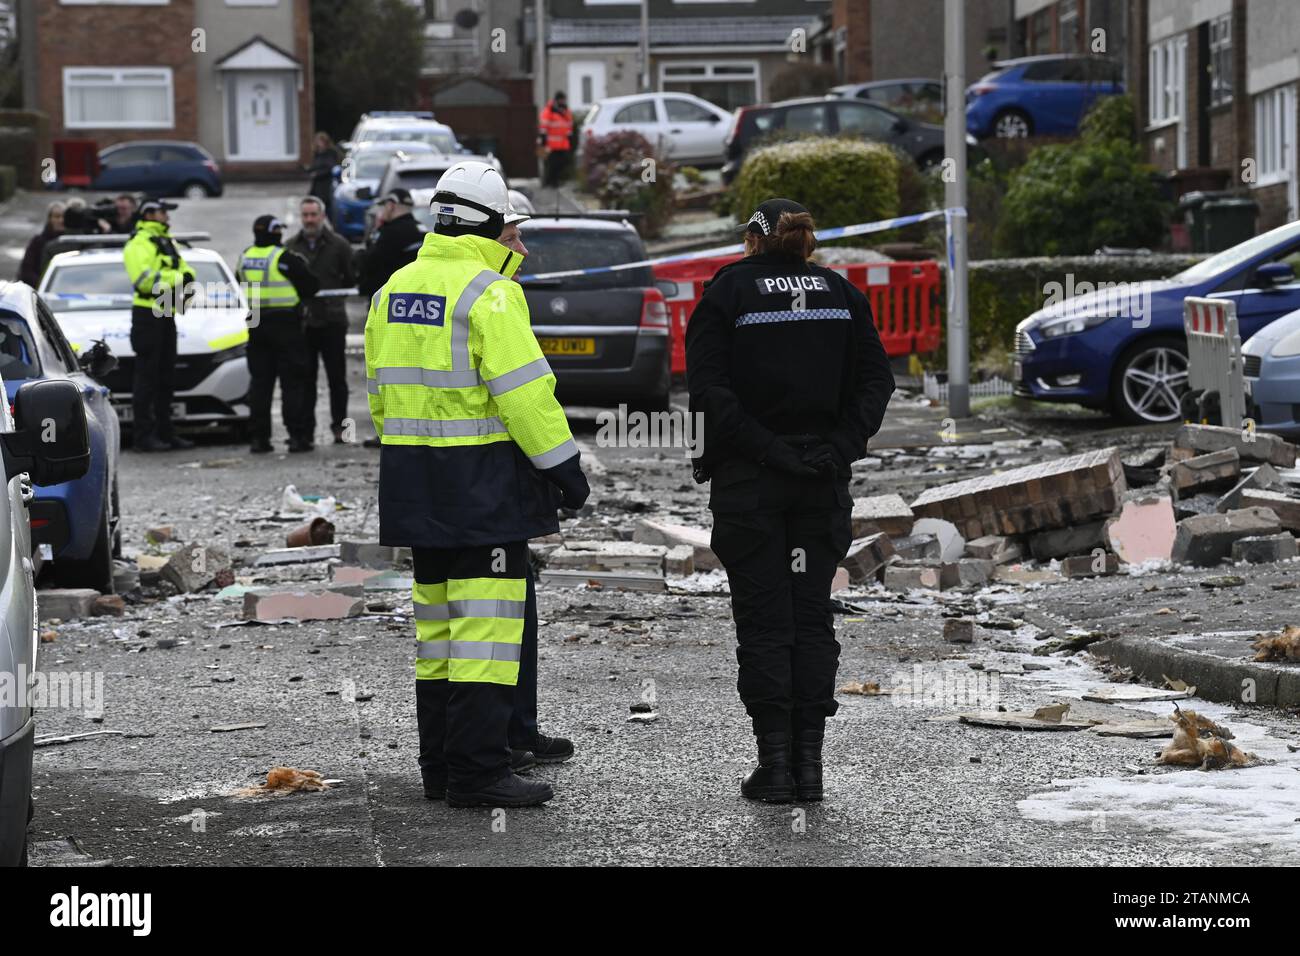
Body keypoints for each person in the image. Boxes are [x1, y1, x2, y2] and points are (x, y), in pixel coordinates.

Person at [365, 160, 589, 808]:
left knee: (437, 636)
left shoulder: (393, 289)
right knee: (484, 638)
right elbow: (525, 396)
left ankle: (440, 769)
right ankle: (480, 772)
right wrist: (565, 473)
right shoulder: (489, 292)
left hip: (412, 485)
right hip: (482, 490)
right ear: (490, 224)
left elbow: (380, 397)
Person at [685, 198, 895, 803]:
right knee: (810, 618)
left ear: (751, 241)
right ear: (807, 243)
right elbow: (876, 381)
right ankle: (811, 766)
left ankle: (774, 767)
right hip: (820, 484)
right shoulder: (841, 294)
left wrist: (765, 451)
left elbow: (710, 393)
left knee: (765, 622)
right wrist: (839, 447)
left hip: (751, 484)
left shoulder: (727, 295)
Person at [236, 215, 320, 454]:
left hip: (256, 322)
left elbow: (238, 280)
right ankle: (296, 437)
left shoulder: (246, 256)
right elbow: (311, 286)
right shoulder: (283, 258)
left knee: (260, 384)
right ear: (275, 233)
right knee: (292, 382)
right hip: (285, 324)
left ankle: (259, 439)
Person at [122, 200, 197, 452]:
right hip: (147, 313)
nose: (168, 217)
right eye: (164, 212)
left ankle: (167, 432)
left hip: (167, 311)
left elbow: (187, 270)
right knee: (147, 378)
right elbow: (144, 280)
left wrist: (183, 278)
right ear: (150, 214)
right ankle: (144, 437)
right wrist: (179, 279)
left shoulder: (166, 241)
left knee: (166, 377)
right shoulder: (139, 243)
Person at [286, 196, 355, 444]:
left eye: (313, 215)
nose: (309, 220)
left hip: (333, 321)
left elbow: (350, 278)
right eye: (305, 215)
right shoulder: (291, 246)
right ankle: (306, 431)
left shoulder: (339, 245)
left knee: (338, 379)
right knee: (305, 380)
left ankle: (342, 429)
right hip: (304, 323)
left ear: (322, 216)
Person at [357, 187, 423, 299]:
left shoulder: (390, 232)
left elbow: (370, 262)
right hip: (418, 295)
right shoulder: (421, 228)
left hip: (389, 298)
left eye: (384, 206)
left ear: (391, 205)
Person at [19, 201, 65, 288]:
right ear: (49, 219)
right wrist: (45, 285)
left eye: (64, 217)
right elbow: (26, 271)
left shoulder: (73, 241)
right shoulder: (37, 242)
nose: (61, 220)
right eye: (57, 216)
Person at [538, 91, 574, 189]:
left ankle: (555, 181)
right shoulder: (549, 110)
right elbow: (544, 125)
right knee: (551, 164)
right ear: (557, 100)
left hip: (563, 144)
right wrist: (543, 138)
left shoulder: (566, 111)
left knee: (560, 164)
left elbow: (569, 125)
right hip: (551, 144)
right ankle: (550, 182)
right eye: (561, 99)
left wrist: (570, 137)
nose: (563, 101)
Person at [307, 131, 341, 218]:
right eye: (317, 141)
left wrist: (317, 174)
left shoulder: (330, 154)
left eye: (320, 141)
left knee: (325, 208)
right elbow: (315, 166)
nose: (318, 144)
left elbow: (330, 168)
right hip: (317, 187)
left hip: (326, 186)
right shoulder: (318, 154)